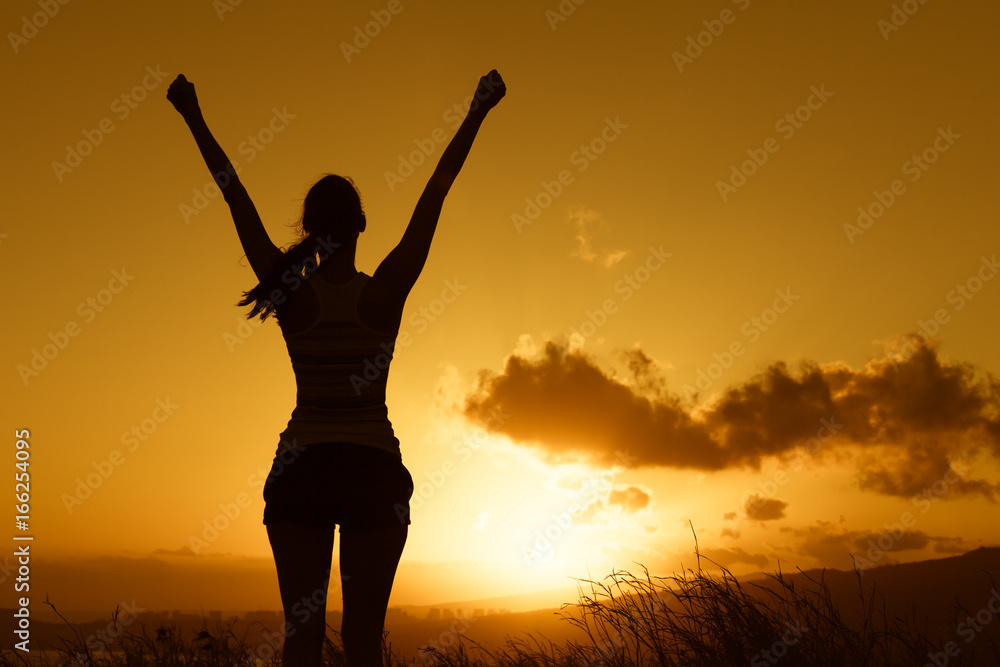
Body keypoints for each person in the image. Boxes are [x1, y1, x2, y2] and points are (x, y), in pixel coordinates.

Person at [167, 70, 506, 666]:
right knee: (362, 643)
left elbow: (233, 195)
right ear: (361, 225)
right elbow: (436, 193)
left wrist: (192, 116)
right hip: (372, 468)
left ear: (308, 230)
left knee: (301, 640)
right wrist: (478, 111)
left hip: (304, 469)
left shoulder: (292, 295)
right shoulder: (384, 296)